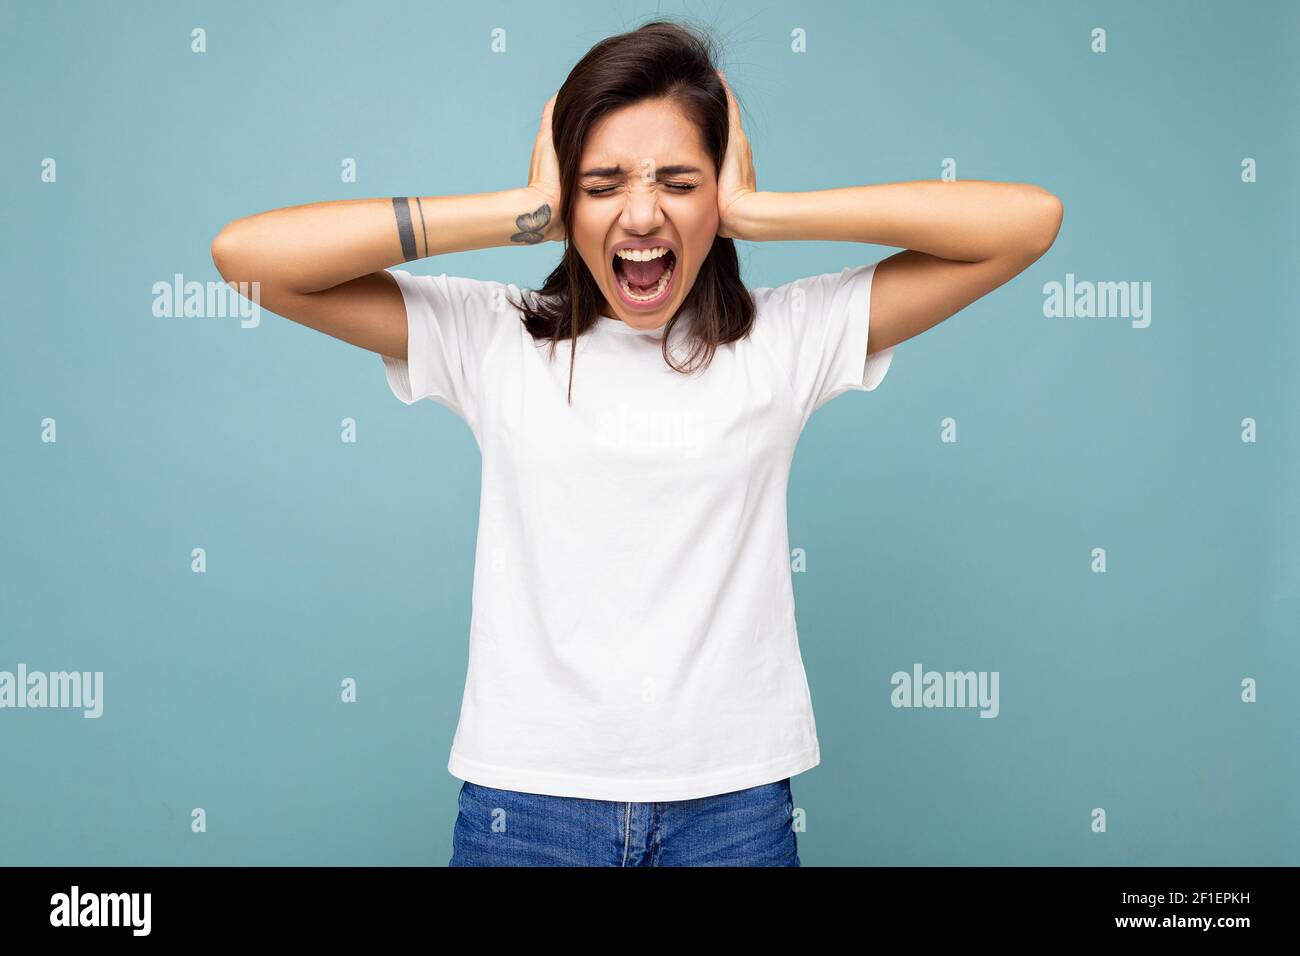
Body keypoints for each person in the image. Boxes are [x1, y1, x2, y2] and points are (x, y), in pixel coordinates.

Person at [210, 19, 1062, 867]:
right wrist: (517, 211)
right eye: (604, 182)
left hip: (733, 810)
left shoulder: (785, 337)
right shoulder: (494, 338)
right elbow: (248, 257)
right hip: (525, 805)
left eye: (680, 182)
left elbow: (1026, 223)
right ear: (565, 200)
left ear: (717, 197)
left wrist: (765, 215)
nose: (643, 212)